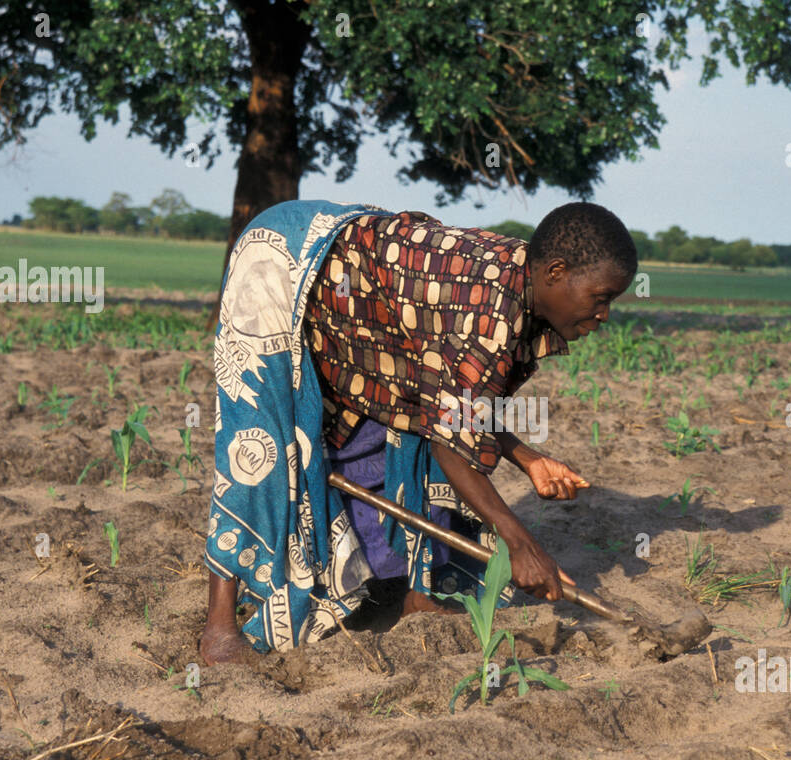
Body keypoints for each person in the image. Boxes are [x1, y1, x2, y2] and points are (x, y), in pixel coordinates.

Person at [201, 200, 636, 665]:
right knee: (260, 439)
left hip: (366, 293)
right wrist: (520, 544)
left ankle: (419, 594)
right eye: (602, 296)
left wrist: (528, 458)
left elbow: (457, 409)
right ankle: (219, 627)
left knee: (411, 433)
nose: (605, 313)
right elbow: (454, 443)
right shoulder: (484, 313)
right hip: (284, 266)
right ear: (555, 271)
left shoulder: (517, 283)